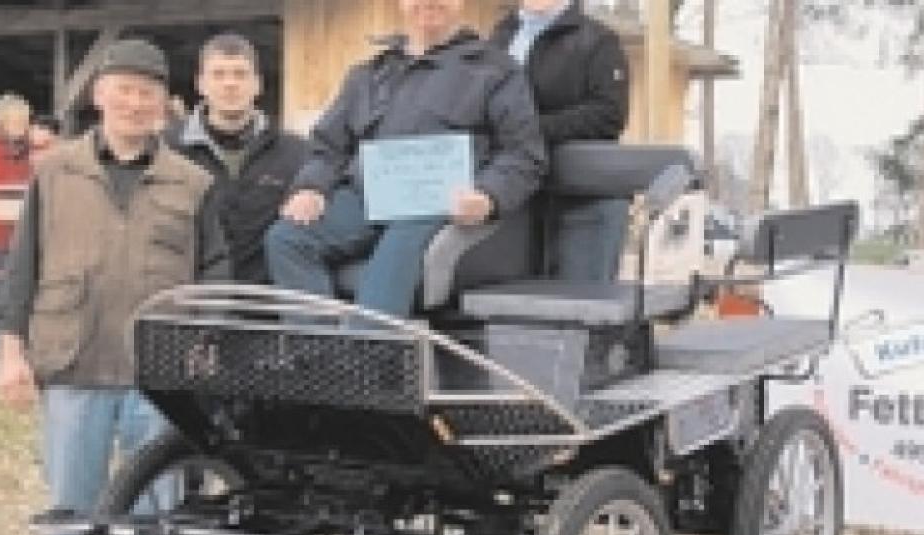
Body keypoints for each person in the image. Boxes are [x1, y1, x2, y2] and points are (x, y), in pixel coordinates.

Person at [0, 39, 228, 535]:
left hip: (160, 381)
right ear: (98, 96)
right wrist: (12, 354)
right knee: (73, 519)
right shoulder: (55, 172)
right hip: (73, 369)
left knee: (158, 523)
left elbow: (215, 276)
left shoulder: (194, 182)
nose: (134, 101)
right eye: (122, 88)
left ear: (166, 105)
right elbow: (21, 271)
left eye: (147, 92)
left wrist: (203, 353)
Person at [265, 0, 546, 318]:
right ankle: (322, 357)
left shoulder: (496, 70)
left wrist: (488, 196)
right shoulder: (368, 74)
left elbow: (524, 154)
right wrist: (311, 187)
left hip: (440, 204)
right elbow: (328, 146)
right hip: (366, 198)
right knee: (288, 237)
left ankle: (367, 360)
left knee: (395, 256)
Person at [491, 0, 632, 281]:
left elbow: (608, 114)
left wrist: (528, 129)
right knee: (517, 311)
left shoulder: (599, 40)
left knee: (580, 308)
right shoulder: (498, 38)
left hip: (584, 202)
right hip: (516, 201)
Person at [168, 32, 308, 283]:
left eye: (240, 74)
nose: (230, 84)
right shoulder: (168, 149)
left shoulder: (296, 153)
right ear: (200, 83)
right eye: (219, 74)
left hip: (268, 312)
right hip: (191, 307)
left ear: (258, 84)